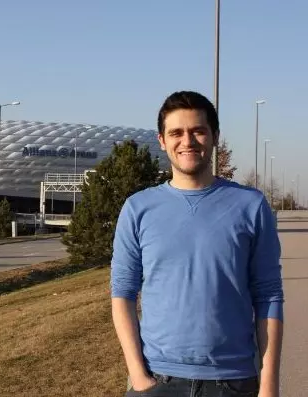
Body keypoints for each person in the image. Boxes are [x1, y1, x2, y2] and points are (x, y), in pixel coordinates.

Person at [110, 91, 284, 397]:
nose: (187, 141)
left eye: (198, 131)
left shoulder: (251, 206)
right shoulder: (138, 208)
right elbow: (122, 293)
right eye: (176, 133)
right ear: (162, 140)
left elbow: (268, 296)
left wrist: (269, 385)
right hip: (157, 379)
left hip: (233, 381)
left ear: (214, 136)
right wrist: (139, 376)